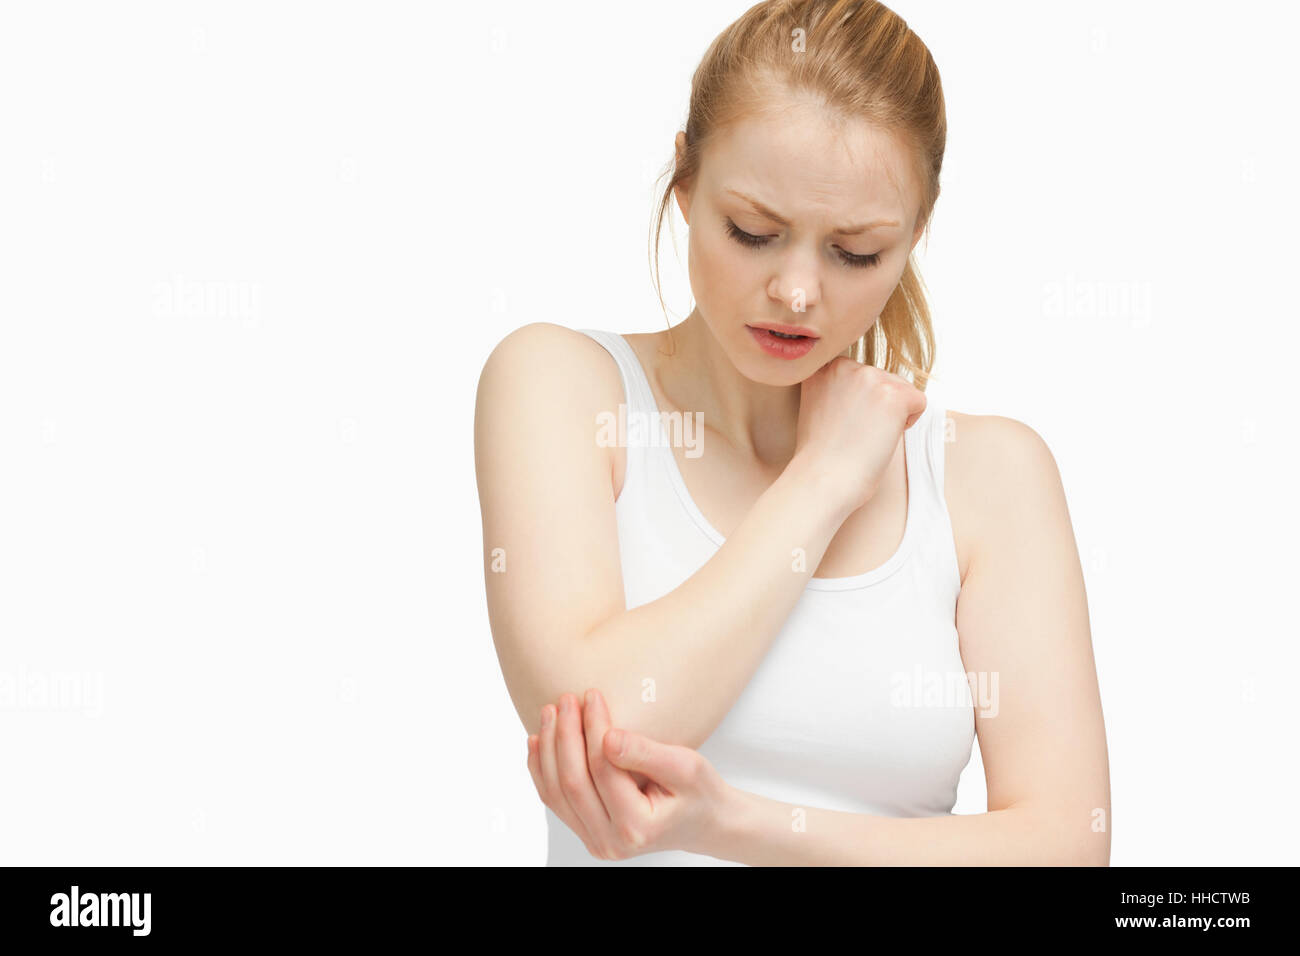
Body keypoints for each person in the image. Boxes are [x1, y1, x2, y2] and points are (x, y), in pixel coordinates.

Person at [474, 0, 1110, 866]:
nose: (799, 291)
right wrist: (824, 479)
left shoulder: (990, 475)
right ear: (685, 181)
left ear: (915, 233)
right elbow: (605, 731)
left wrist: (733, 825)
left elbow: (1067, 848)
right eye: (754, 232)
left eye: (857, 252)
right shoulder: (561, 385)